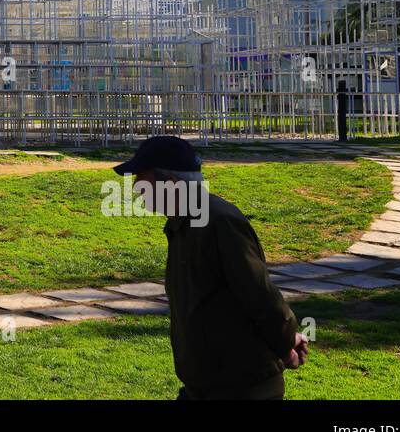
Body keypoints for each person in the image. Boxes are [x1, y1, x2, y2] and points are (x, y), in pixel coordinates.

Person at [114, 135, 309, 400]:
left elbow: (261, 297)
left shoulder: (219, 221)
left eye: (142, 178)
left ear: (170, 184)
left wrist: (285, 344)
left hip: (242, 391)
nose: (136, 186)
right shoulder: (183, 223)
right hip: (205, 388)